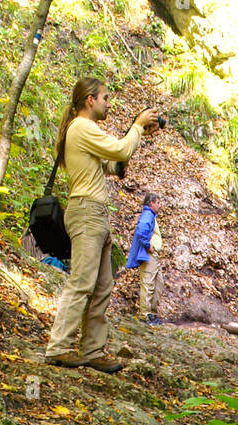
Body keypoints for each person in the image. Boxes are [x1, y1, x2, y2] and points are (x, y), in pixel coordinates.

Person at [45, 77, 159, 372]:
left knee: (101, 286)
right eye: (105, 98)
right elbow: (120, 150)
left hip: (95, 213)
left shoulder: (84, 131)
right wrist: (136, 126)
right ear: (89, 100)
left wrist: (139, 135)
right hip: (86, 212)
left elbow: (114, 165)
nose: (109, 104)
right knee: (83, 281)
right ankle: (59, 347)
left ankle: (93, 350)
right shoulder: (82, 127)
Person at [127, 192, 164, 323]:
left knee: (158, 283)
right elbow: (141, 231)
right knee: (148, 283)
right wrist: (148, 246)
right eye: (158, 202)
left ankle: (152, 313)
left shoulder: (151, 216)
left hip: (154, 256)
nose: (160, 205)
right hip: (148, 255)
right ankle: (145, 315)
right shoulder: (147, 215)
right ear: (151, 203)